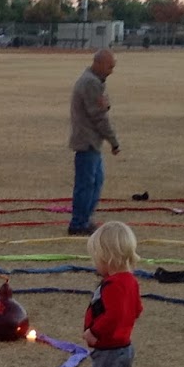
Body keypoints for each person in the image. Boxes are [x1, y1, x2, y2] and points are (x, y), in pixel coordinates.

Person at [76, 221, 142, 367]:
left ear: (107, 257)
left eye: (96, 258)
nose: (94, 263)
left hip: (110, 350)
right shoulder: (130, 281)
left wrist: (94, 332)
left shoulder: (114, 284)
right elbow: (137, 309)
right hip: (124, 348)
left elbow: (114, 315)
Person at [67, 47, 120, 236]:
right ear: (98, 63)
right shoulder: (91, 82)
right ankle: (79, 223)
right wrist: (114, 141)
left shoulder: (94, 81)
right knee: (87, 184)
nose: (111, 71)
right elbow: (99, 116)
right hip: (87, 141)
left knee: (95, 182)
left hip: (91, 142)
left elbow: (103, 105)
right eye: (109, 67)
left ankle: (85, 220)